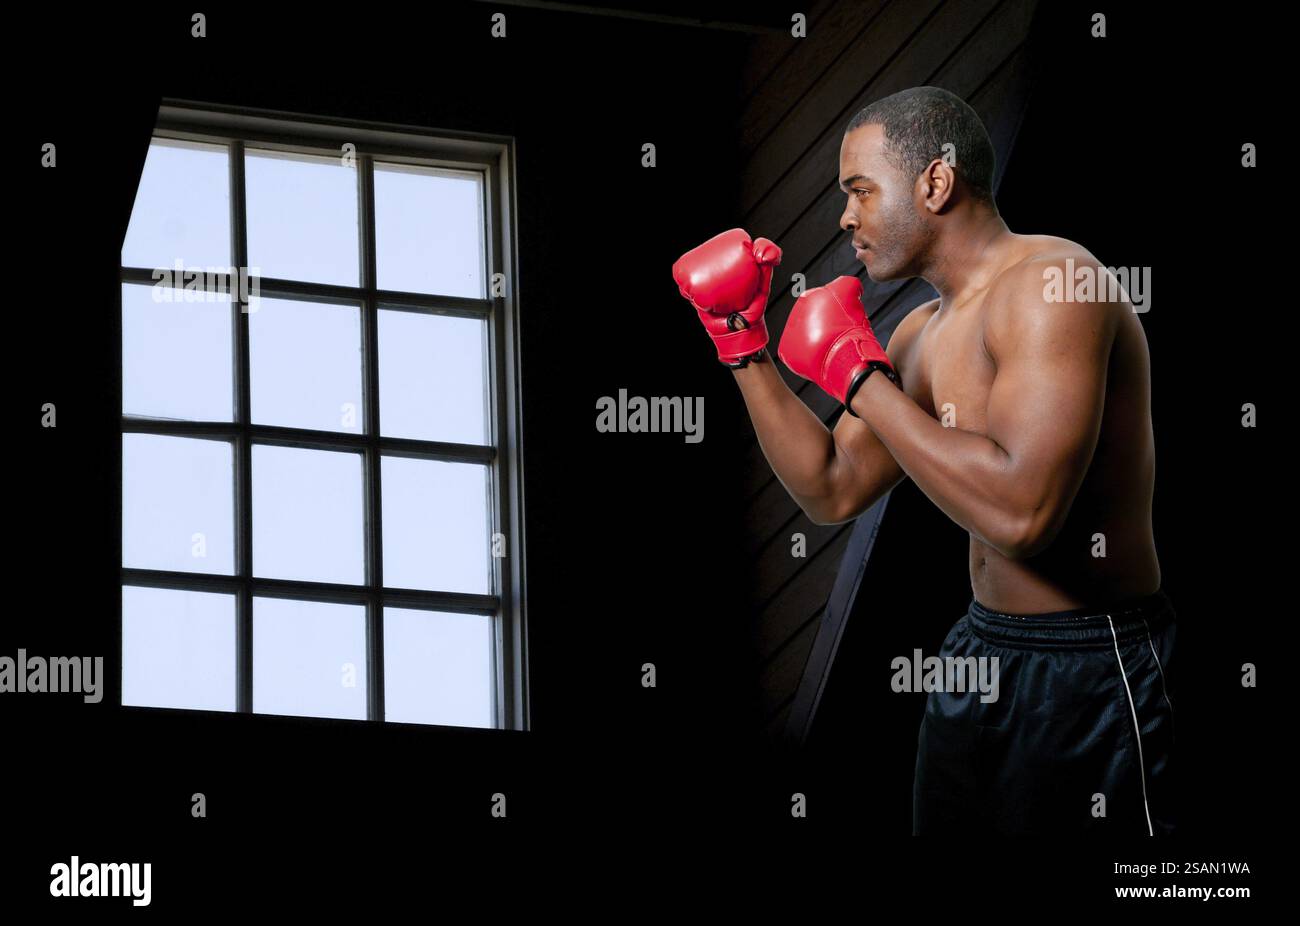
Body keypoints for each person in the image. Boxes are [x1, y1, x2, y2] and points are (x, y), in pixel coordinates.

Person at [672, 86, 1175, 835]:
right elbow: (833, 488)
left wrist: (857, 380)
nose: (847, 216)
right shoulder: (917, 334)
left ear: (934, 183)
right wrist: (744, 348)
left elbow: (1022, 514)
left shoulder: (1052, 285)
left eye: (861, 191)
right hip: (978, 650)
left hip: (1093, 664)